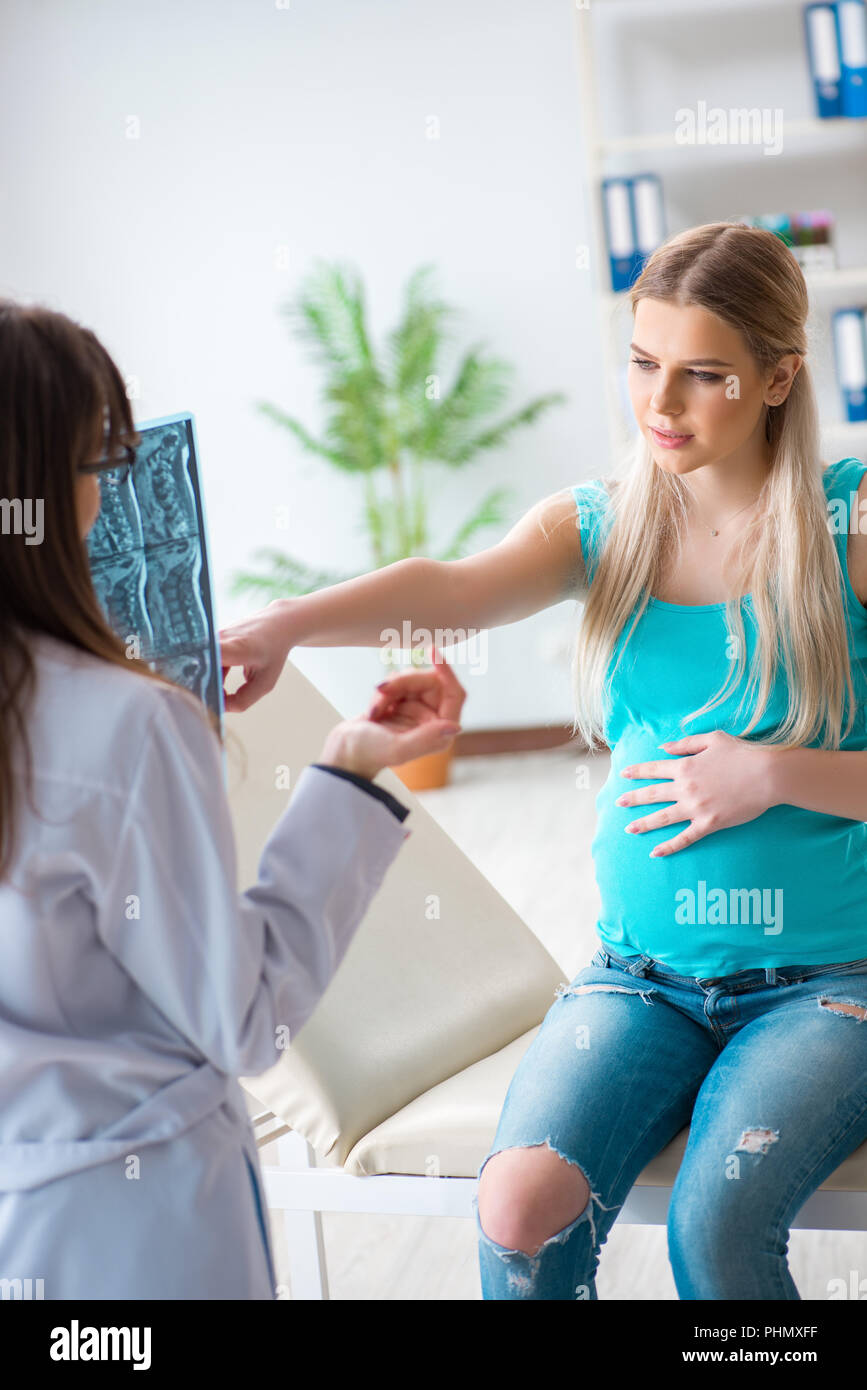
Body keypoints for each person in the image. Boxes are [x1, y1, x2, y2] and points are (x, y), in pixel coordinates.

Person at [218, 222, 867, 1300]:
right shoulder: (603, 527)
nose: (660, 405)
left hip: (829, 989)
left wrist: (778, 773)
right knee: (519, 1209)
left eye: (704, 375)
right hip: (640, 980)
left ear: (777, 377)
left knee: (716, 1227)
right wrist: (286, 623)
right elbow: (453, 585)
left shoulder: (847, 524)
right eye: (644, 364)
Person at [0, 298, 465, 1300]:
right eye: (95, 464)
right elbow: (244, 1019)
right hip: (139, 1234)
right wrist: (346, 772)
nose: (103, 497)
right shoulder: (124, 726)